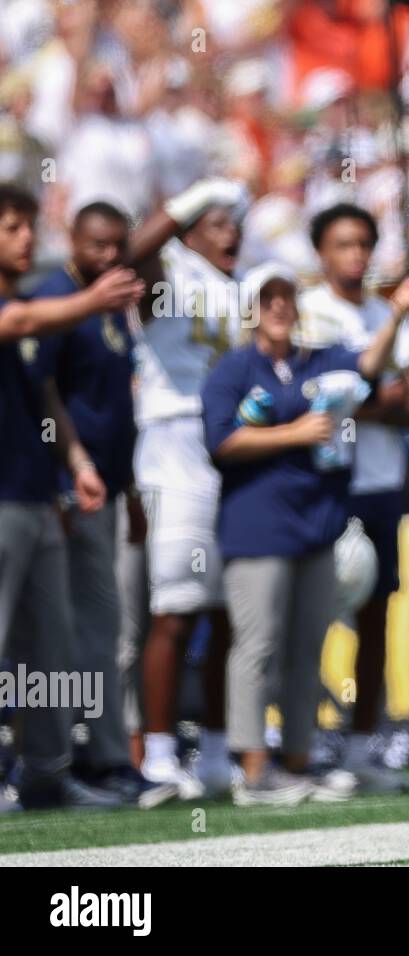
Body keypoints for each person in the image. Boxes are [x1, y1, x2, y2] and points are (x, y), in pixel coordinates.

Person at [200, 262, 409, 805]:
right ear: (252, 310)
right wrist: (293, 433)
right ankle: (253, 768)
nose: (280, 306)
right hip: (258, 524)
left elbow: (368, 367)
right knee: (257, 646)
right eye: (268, 297)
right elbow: (220, 441)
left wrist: (396, 314)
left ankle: (296, 760)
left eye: (287, 297)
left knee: (307, 647)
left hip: (317, 522)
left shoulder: (318, 359)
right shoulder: (233, 368)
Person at [0, 182, 143, 810]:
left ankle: (48, 774)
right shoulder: (32, 308)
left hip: (37, 496)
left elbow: (46, 397)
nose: (27, 238)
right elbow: (20, 322)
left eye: (30, 225)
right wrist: (92, 300)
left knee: (54, 646)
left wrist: (78, 461)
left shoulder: (36, 306)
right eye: (11, 227)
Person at [296, 203, 409, 793]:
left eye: (362, 244)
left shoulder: (388, 312)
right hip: (326, 480)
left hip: (379, 481)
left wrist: (367, 397)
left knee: (377, 614)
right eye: (342, 245)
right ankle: (303, 738)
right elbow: (315, 399)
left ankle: (361, 740)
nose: (354, 256)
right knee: (309, 614)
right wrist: (381, 396)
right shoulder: (309, 313)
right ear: (321, 253)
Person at [128, 176, 251, 797]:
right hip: (173, 446)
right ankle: (156, 751)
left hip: (228, 451)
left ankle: (215, 750)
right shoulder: (169, 271)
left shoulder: (236, 287)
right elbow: (133, 252)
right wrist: (191, 194)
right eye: (218, 222)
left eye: (235, 222)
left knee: (228, 609)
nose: (231, 233)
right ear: (192, 227)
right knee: (173, 609)